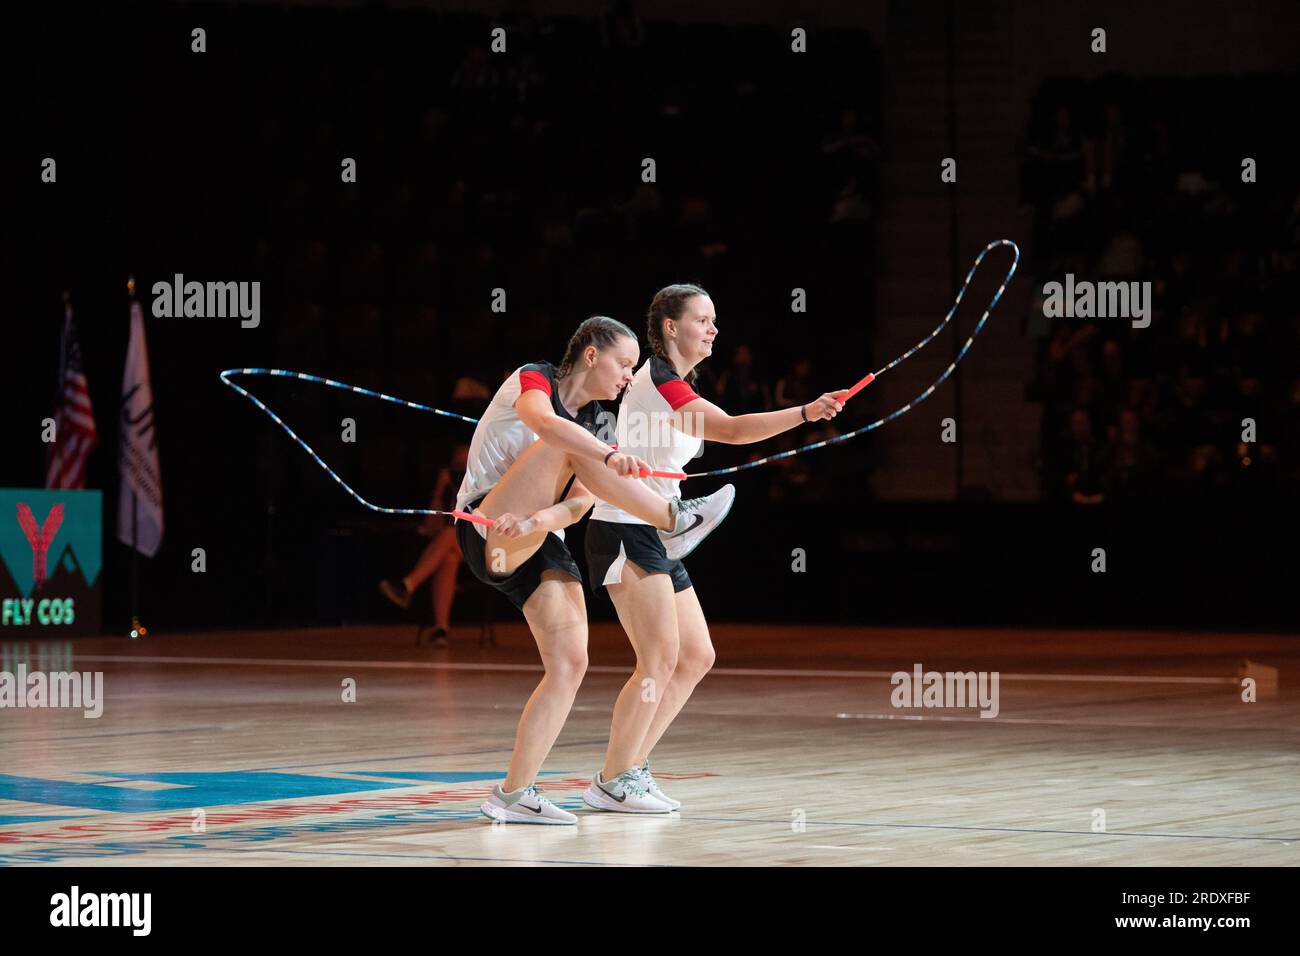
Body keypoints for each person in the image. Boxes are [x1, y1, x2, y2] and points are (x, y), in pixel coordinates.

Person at [459, 315, 735, 824]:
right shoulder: (535, 378)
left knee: (570, 664)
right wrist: (608, 455)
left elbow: (579, 506)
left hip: (535, 537)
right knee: (566, 439)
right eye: (624, 364)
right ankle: (671, 520)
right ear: (591, 355)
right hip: (487, 525)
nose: (630, 376)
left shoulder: (598, 427)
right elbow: (544, 424)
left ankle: (511, 795)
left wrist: (541, 518)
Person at [583, 284, 844, 813]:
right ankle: (613, 780)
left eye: (715, 320)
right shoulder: (658, 378)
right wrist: (805, 413)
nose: (714, 329)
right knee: (657, 659)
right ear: (671, 327)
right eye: (703, 319)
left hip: (656, 531)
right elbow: (729, 429)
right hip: (623, 527)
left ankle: (630, 767)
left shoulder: (675, 383)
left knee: (696, 655)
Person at [378, 444, 469, 648]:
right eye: (457, 466)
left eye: (466, 465)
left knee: (450, 534)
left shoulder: (486, 484)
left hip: (484, 549)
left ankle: (407, 585)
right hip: (453, 548)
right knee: (449, 558)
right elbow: (429, 527)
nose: (461, 470)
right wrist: (440, 490)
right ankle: (440, 630)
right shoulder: (446, 490)